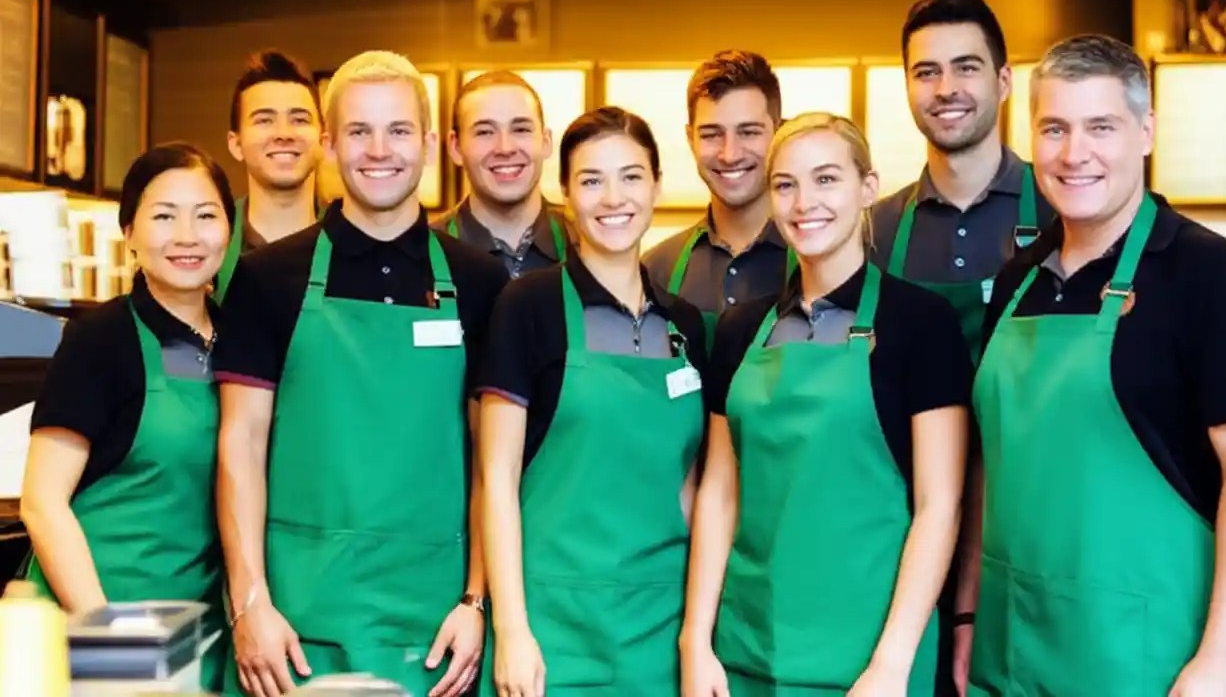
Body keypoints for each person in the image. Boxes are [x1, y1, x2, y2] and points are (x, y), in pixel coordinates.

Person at [961, 34, 1226, 697]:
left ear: (1146, 131)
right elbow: (991, 465)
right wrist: (967, 613)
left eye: (1100, 127)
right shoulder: (1018, 278)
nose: (1075, 154)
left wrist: (1222, 661)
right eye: (1054, 128)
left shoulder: (1219, 279)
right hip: (1008, 646)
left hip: (1145, 658)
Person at [214, 50, 508, 697]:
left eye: (399, 130)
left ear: (429, 143)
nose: (380, 151)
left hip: (437, 630)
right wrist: (251, 604)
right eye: (358, 131)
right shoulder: (267, 280)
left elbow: (494, 463)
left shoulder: (480, 283)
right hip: (294, 626)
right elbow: (240, 447)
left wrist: (477, 602)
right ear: (328, 144)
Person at [681, 112, 972, 697]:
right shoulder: (741, 329)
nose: (802, 202)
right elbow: (719, 491)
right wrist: (696, 640)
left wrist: (891, 663)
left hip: (869, 656)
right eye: (785, 185)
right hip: (746, 647)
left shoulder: (920, 323)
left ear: (867, 188)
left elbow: (940, 505)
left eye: (826, 179)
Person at [476, 106, 707, 696]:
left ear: (657, 184)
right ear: (566, 193)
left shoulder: (685, 325)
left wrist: (696, 636)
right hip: (553, 627)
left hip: (661, 623)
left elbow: (690, 484)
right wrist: (512, 628)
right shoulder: (526, 308)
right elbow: (496, 478)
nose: (613, 198)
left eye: (631, 176)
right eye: (591, 180)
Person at [19, 143, 235, 691]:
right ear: (129, 233)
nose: (187, 235)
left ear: (228, 231)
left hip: (194, 630)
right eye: (164, 216)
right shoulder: (102, 339)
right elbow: (42, 502)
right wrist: (107, 636)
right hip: (92, 623)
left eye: (205, 215)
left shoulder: (241, 340)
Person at [870, 0, 1055, 362]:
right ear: (906, 86)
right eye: (926, 72)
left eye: (966, 68)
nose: (946, 89)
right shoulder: (872, 231)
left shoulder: (1061, 208)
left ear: (1004, 81)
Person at [643, 50, 794, 339]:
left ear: (778, 133)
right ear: (690, 139)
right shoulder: (655, 269)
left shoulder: (815, 259)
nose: (730, 154)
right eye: (711, 134)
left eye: (748, 132)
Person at [436, 70, 572, 278]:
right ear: (455, 148)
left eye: (521, 130)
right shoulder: (423, 252)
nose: (505, 148)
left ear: (546, 141)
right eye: (485, 132)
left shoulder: (588, 241)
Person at [217, 49, 324, 302]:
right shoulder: (208, 242)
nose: (284, 133)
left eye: (299, 119)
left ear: (323, 139)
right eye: (264, 120)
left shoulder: (352, 243)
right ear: (235, 144)